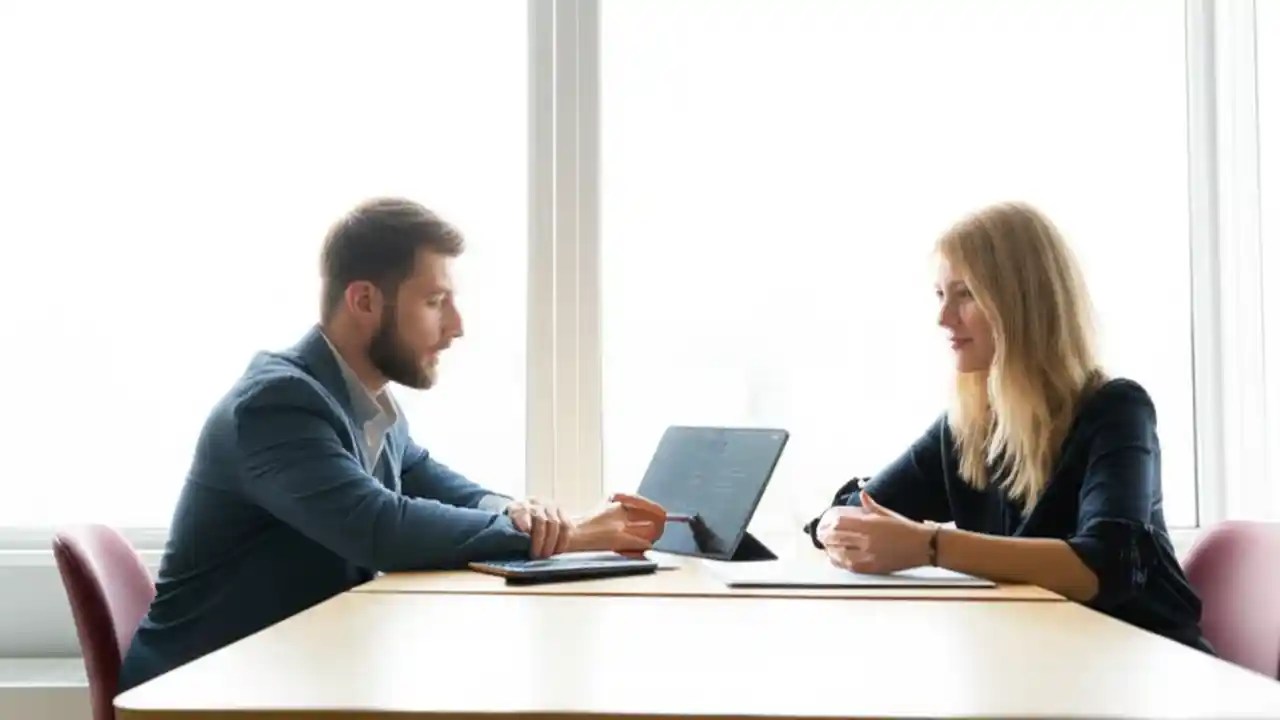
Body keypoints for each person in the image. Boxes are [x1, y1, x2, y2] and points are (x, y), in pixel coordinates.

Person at [119, 198, 667, 692]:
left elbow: (438, 485)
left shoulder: (365, 404)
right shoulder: (277, 405)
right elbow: (381, 528)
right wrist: (564, 541)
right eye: (435, 301)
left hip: (286, 678)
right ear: (363, 300)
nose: (456, 327)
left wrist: (525, 516)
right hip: (203, 691)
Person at [804, 202, 1211, 653]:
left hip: (1149, 669)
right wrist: (832, 525)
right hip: (1046, 659)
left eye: (964, 295)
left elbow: (1109, 564)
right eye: (940, 295)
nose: (943, 318)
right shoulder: (969, 425)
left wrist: (930, 546)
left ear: (1021, 302)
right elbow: (862, 506)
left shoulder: (1116, 410)